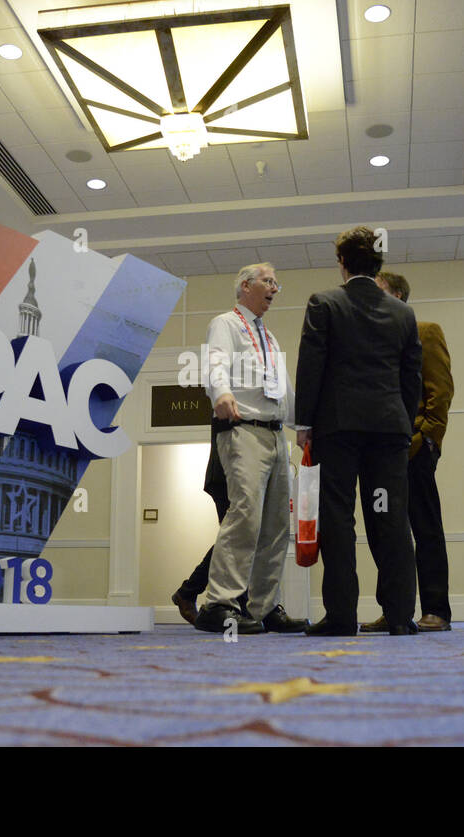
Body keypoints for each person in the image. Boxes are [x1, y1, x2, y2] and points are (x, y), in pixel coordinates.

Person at [295, 227, 422, 636]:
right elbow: (411, 378)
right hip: (388, 432)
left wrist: (304, 424)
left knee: (338, 517)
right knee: (389, 517)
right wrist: (402, 423)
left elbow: (311, 367)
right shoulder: (403, 312)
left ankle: (342, 616)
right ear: (379, 264)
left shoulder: (324, 303)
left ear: (343, 263)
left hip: (338, 429)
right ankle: (401, 616)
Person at [194, 263, 308, 634]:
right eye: (268, 281)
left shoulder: (271, 339)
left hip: (276, 436)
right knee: (245, 516)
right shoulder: (225, 323)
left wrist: (303, 428)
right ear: (245, 286)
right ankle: (219, 603)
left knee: (276, 524)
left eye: (277, 282)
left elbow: (284, 390)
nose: (276, 288)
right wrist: (221, 392)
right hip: (243, 430)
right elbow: (215, 362)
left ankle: (262, 606)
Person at [360, 271, 454, 632]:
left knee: (425, 528)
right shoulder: (367, 341)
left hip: (414, 449)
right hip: (376, 452)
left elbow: (441, 392)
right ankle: (396, 608)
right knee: (382, 531)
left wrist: (428, 439)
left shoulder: (425, 330)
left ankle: (436, 610)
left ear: (399, 295)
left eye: (380, 292)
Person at [169, 430, 248, 624]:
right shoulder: (230, 402)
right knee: (235, 538)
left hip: (231, 475)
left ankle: (190, 592)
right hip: (227, 475)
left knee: (239, 539)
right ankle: (189, 592)